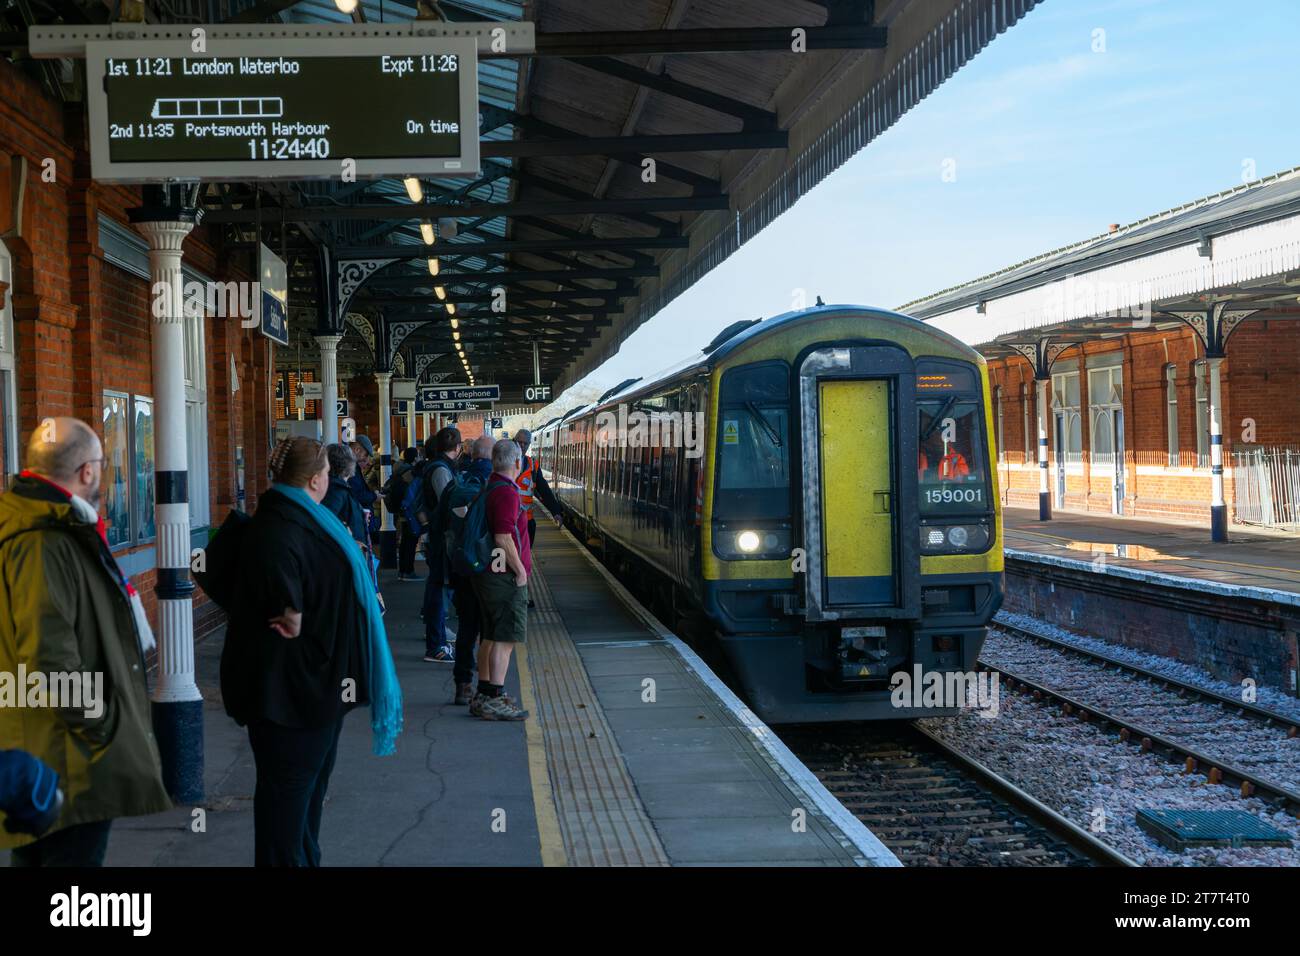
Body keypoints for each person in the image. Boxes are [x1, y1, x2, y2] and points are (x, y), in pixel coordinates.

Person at [220, 436, 402, 866]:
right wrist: (293, 610)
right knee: (286, 812)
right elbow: (290, 608)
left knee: (301, 806)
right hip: (292, 697)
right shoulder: (285, 527)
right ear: (318, 478)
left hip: (314, 692)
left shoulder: (299, 520)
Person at [0, 417, 170, 865]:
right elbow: (50, 663)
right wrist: (105, 727)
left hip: (49, 750)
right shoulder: (44, 541)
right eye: (102, 463)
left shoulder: (41, 527)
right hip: (67, 761)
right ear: (88, 472)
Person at [469, 439, 532, 721]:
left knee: (491, 636)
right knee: (505, 639)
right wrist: (519, 571)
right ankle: (494, 696)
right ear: (517, 462)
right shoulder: (506, 493)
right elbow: (503, 537)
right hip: (502, 577)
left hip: (489, 575)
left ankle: (484, 694)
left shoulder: (490, 485)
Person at [443, 434, 494, 694]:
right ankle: (486, 687)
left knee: (466, 627)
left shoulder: (456, 481)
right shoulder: (495, 483)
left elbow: (441, 524)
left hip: (461, 565)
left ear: (472, 455)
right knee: (488, 630)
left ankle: (463, 683)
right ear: (492, 457)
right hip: (487, 568)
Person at [420, 428, 462, 664]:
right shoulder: (440, 470)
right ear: (457, 448)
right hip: (441, 539)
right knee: (440, 589)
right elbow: (449, 504)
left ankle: (435, 638)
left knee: (438, 588)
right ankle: (435, 645)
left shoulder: (436, 466)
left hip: (437, 537)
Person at [321, 443, 367, 545]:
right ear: (348, 463)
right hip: (345, 552)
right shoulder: (336, 491)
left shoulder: (336, 487)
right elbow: (327, 524)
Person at [386, 447, 421, 581]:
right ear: (415, 458)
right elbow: (412, 493)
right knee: (410, 541)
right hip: (408, 511)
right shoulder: (409, 473)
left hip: (400, 510)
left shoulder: (398, 469)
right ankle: (408, 571)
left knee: (405, 541)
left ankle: (402, 571)